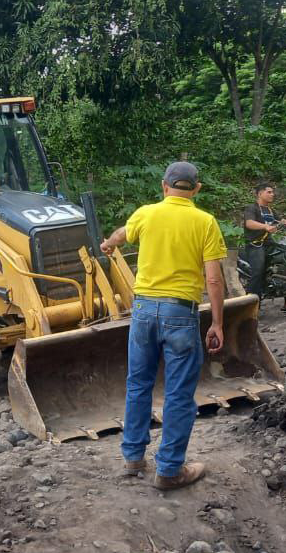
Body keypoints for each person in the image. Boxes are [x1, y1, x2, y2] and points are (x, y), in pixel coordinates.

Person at [100, 161, 227, 490]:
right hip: (179, 314)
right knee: (179, 393)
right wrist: (216, 322)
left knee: (138, 384)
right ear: (196, 189)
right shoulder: (205, 222)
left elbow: (120, 235)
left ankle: (132, 458)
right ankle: (169, 470)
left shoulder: (146, 214)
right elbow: (213, 278)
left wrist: (110, 244)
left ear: (164, 186)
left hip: (142, 312)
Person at [242, 183, 286, 312]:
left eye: (272, 192)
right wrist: (265, 226)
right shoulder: (252, 208)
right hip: (255, 245)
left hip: (270, 244)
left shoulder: (270, 210)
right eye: (269, 192)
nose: (272, 194)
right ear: (259, 194)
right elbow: (249, 223)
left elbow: (282, 222)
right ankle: (251, 308)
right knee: (257, 272)